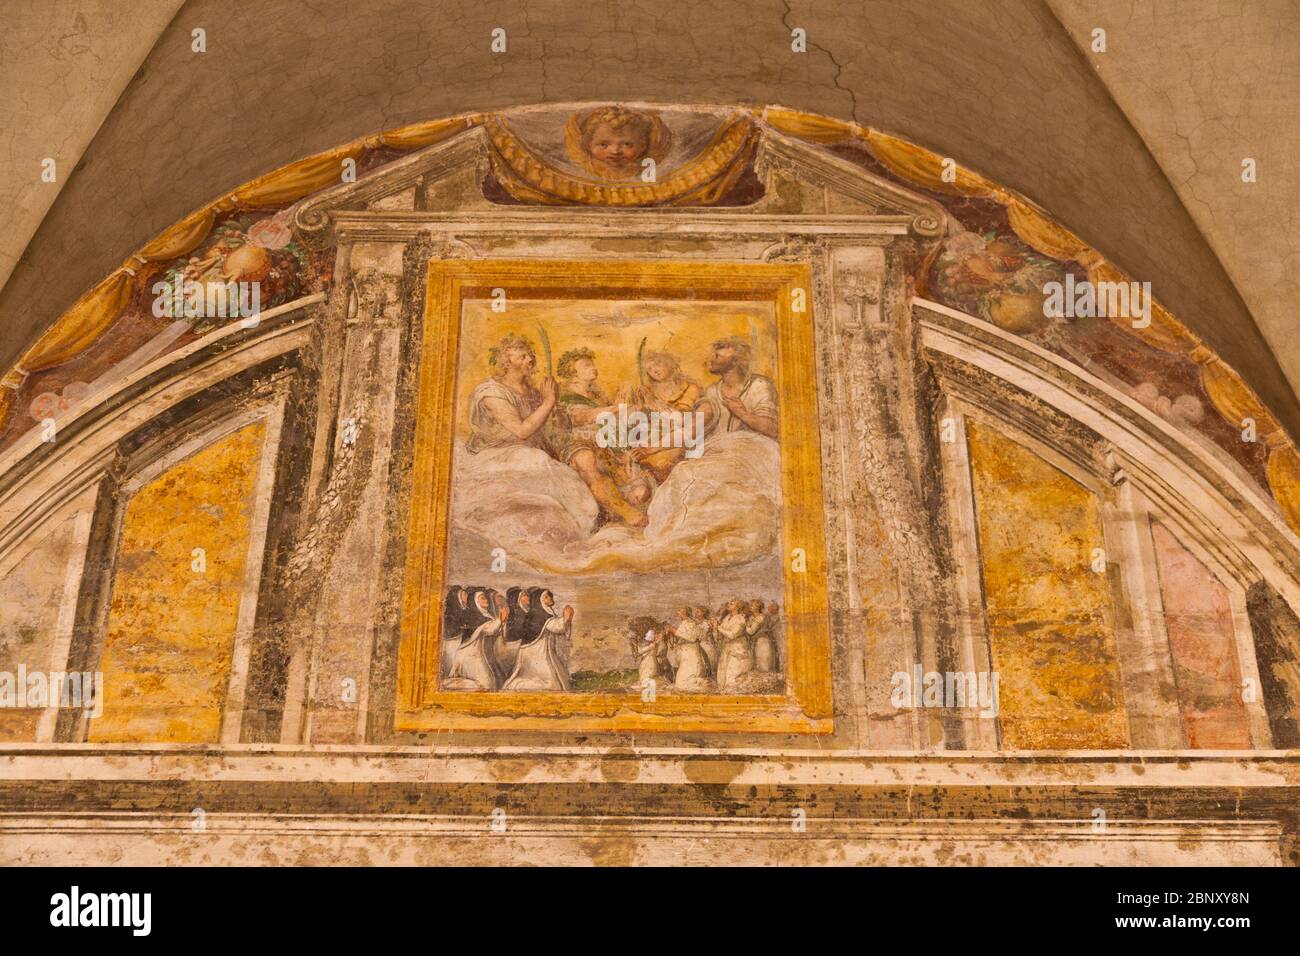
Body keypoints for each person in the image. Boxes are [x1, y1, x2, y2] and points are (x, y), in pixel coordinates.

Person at [551, 346, 651, 527]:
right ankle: (625, 511)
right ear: (573, 372)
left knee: (640, 491)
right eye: (587, 365)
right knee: (586, 459)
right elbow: (580, 418)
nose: (593, 368)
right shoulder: (563, 394)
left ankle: (623, 506)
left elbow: (615, 419)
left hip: (606, 443)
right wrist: (616, 408)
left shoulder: (597, 394)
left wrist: (634, 407)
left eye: (592, 364)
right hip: (577, 443)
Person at [466, 334, 557, 455]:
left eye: (530, 355)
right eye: (523, 357)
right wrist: (548, 402)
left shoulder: (533, 392)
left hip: (527, 449)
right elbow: (522, 432)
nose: (530, 359)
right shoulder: (492, 392)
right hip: (499, 452)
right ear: (507, 363)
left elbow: (547, 426)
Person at [621, 349, 703, 482]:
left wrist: (657, 406)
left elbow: (683, 419)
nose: (654, 370)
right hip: (652, 438)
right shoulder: (647, 392)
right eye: (649, 369)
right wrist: (643, 404)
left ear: (669, 362)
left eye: (657, 364)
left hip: (677, 439)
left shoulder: (689, 388)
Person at [696, 338, 779, 440]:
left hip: (753, 446)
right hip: (717, 447)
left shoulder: (759, 385)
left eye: (717, 356)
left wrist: (742, 413)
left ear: (735, 362)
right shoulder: (711, 391)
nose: (711, 360)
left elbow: (773, 430)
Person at [503, 589, 573, 691]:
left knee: (555, 680)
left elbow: (558, 627)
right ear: (539, 600)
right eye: (546, 597)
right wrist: (566, 618)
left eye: (549, 596)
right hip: (535, 652)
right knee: (551, 683)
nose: (550, 598)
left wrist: (566, 619)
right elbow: (557, 627)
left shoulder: (545, 613)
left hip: (540, 651)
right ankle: (516, 685)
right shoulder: (540, 615)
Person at [443, 589, 505, 691]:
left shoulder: (487, 616)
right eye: (482, 598)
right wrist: (500, 620)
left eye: (486, 598)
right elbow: (490, 630)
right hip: (470, 656)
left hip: (480, 654)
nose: (486, 600)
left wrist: (501, 621)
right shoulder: (474, 618)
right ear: (476, 601)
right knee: (486, 684)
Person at [669, 606, 714, 692]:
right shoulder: (685, 622)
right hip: (686, 651)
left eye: (679, 613)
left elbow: (692, 637)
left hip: (691, 652)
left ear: (684, 613)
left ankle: (704, 682)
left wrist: (674, 631)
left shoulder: (690, 623)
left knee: (687, 678)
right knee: (682, 680)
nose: (677, 615)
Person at [715, 598, 755, 689]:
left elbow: (732, 635)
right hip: (726, 648)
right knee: (723, 673)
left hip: (737, 650)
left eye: (731, 603)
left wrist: (718, 627)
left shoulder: (740, 618)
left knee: (732, 675)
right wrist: (715, 627)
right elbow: (722, 632)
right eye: (729, 603)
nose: (728, 604)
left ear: (738, 607)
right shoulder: (727, 617)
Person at [440, 585, 472, 679]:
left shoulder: (465, 609)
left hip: (459, 639)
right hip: (452, 640)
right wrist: (462, 628)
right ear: (458, 597)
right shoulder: (451, 611)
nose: (467, 597)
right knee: (450, 659)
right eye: (464, 595)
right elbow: (451, 628)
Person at [754, 600, 780, 673]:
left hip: (771, 638)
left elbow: (769, 629)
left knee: (773, 655)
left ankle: (774, 669)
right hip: (766, 638)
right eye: (769, 606)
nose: (769, 608)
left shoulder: (776, 618)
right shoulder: (766, 616)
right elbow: (765, 628)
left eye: (772, 607)